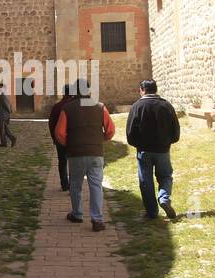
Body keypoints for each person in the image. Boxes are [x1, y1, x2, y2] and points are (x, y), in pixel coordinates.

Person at [53, 80, 115, 231]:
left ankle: (77, 213)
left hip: (75, 153)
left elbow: (59, 133)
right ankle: (97, 219)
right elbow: (110, 130)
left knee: (75, 185)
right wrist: (100, 140)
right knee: (96, 186)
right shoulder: (100, 107)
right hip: (95, 153)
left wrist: (70, 143)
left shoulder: (67, 108)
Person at [126, 79, 180, 220]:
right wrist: (170, 141)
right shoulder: (166, 105)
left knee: (146, 181)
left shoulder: (137, 106)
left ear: (142, 90)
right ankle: (164, 198)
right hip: (162, 149)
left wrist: (137, 144)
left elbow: (130, 132)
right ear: (155, 89)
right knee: (165, 176)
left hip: (144, 150)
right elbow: (175, 128)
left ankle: (151, 212)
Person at [47, 84, 76, 191]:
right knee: (73, 162)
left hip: (60, 138)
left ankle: (64, 184)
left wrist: (54, 138)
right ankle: (73, 184)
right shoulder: (75, 106)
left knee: (62, 162)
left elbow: (51, 124)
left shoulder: (57, 107)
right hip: (73, 139)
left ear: (63, 93)